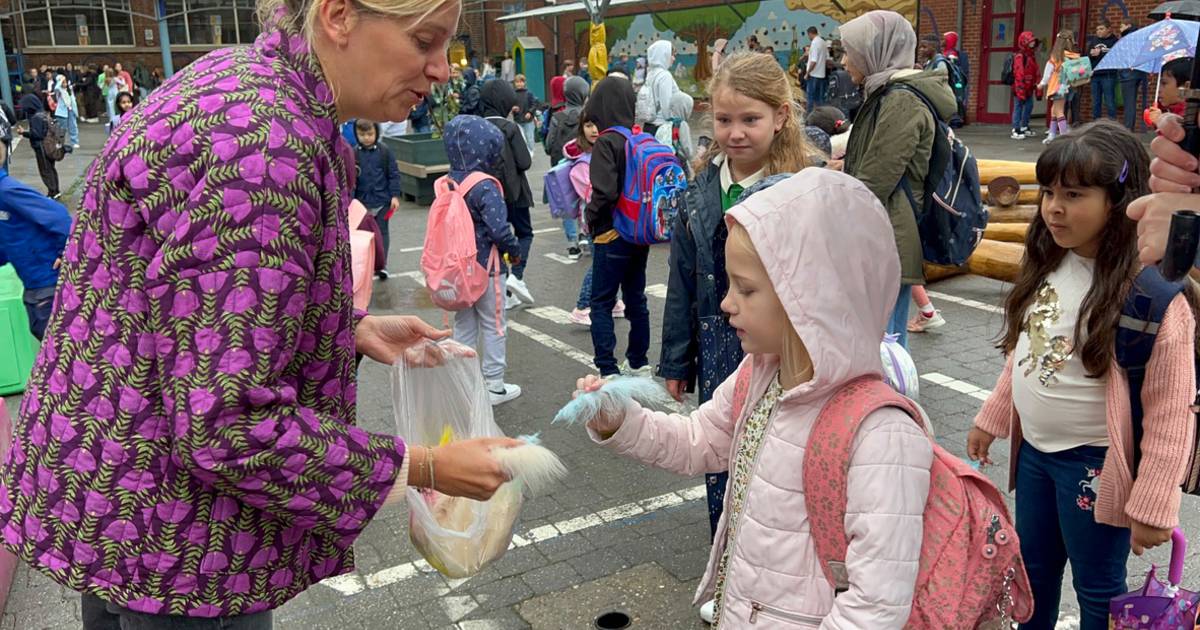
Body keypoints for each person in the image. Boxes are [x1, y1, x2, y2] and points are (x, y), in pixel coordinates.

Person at [0, 1, 525, 627]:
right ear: (338, 17)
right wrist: (427, 466)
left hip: (120, 494)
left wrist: (346, 327)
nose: (442, 69)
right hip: (182, 541)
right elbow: (225, 425)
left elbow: (185, 307)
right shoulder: (268, 147)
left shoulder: (243, 81)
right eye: (424, 41)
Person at [576, 168, 932, 628]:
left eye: (745, 289)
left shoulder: (881, 435)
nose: (725, 302)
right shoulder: (760, 374)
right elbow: (698, 440)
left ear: (811, 296)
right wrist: (619, 421)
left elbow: (875, 607)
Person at [969, 120, 1193, 630]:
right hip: (1036, 460)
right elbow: (1030, 350)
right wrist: (994, 415)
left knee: (1097, 589)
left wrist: (1154, 504)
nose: (1053, 207)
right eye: (1049, 192)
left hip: (1094, 467)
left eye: (1073, 194)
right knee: (1032, 574)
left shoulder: (1151, 296)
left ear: (1118, 201)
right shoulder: (1052, 261)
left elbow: (1171, 414)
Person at [656, 51, 811, 623]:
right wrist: (676, 358)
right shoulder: (701, 188)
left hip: (782, 349)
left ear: (780, 117)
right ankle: (726, 577)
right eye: (723, 120)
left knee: (778, 468)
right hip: (719, 346)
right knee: (722, 462)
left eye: (749, 119)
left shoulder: (801, 187)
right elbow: (681, 278)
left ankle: (781, 582)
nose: (735, 132)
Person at [840, 10, 957, 350]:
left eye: (852, 52)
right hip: (883, 231)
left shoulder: (901, 100)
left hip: (887, 237)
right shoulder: (886, 93)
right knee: (884, 342)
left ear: (875, 52)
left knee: (882, 348)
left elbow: (876, 177)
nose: (846, 62)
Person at [442, 115, 524, 405]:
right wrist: (514, 251)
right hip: (487, 269)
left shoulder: (448, 181)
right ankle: (494, 385)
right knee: (495, 324)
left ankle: (463, 382)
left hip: (458, 270)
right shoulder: (485, 185)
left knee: (464, 325)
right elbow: (499, 229)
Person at [585, 76, 652, 378]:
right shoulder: (637, 138)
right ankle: (639, 361)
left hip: (611, 233)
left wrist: (591, 219)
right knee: (636, 298)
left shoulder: (606, 141)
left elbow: (604, 192)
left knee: (601, 301)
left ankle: (607, 368)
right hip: (639, 233)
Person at [0, 136, 72, 340]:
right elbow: (7, 241)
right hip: (33, 283)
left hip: (47, 281)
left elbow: (59, 216)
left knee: (58, 346)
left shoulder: (7, 191)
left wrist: (63, 251)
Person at [479, 80, 536, 309]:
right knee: (524, 233)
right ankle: (517, 276)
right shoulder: (510, 128)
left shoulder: (477, 127)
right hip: (515, 191)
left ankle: (503, 291)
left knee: (496, 238)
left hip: (487, 193)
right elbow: (525, 161)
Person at [567, 120, 626, 326]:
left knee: (613, 262)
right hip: (594, 222)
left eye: (597, 125)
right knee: (600, 264)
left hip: (610, 219)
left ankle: (615, 301)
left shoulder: (605, 154)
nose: (594, 130)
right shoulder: (581, 164)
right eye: (588, 125)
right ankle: (582, 306)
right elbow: (597, 193)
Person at [352, 120, 402, 279]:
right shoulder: (354, 154)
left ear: (377, 133)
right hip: (362, 203)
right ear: (356, 134)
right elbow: (351, 180)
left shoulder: (384, 151)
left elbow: (393, 174)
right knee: (364, 235)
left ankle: (382, 264)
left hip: (383, 202)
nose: (366, 138)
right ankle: (367, 264)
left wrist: (394, 195)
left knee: (382, 233)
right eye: (362, 134)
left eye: (370, 134)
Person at [548, 76, 589, 260]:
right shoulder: (589, 116)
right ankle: (585, 234)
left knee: (567, 203)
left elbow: (549, 144)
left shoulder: (557, 117)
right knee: (585, 199)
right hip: (585, 168)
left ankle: (572, 243)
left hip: (562, 168)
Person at [17, 91, 59, 200]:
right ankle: (55, 190)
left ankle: (52, 192)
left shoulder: (35, 118)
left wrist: (23, 133)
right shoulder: (43, 114)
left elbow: (37, 134)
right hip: (49, 146)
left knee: (45, 170)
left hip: (41, 148)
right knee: (51, 169)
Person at [1040, 31, 1078, 145]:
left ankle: (1063, 135)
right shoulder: (1073, 56)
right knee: (1053, 110)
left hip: (1057, 87)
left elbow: (1047, 74)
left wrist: (1041, 84)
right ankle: (1052, 134)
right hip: (1068, 86)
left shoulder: (1055, 57)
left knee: (1058, 111)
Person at [636, 40, 681, 135]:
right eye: (672, 55)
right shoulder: (665, 75)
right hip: (661, 127)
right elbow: (666, 105)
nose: (674, 59)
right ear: (664, 54)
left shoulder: (651, 73)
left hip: (649, 125)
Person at [1144, 57, 1192, 128]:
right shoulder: (1171, 110)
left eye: (1164, 83)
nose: (1159, 90)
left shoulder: (1190, 116)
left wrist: (1160, 121)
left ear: (1186, 86)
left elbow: (1178, 136)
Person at [1119, 20, 1149, 132]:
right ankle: (1134, 127)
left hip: (1127, 71)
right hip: (1139, 71)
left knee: (1129, 103)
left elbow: (1123, 56)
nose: (1120, 29)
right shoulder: (1140, 37)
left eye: (1121, 26)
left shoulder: (1126, 38)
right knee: (1136, 102)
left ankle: (1128, 128)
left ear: (1128, 25)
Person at [654, 91, 695, 173]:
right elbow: (687, 148)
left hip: (663, 163)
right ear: (684, 108)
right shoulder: (682, 124)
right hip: (678, 163)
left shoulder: (664, 125)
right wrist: (693, 162)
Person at [1087, 21, 1119, 121]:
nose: (1098, 31)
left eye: (1101, 29)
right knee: (1096, 101)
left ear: (1109, 29)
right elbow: (1087, 56)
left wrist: (1100, 54)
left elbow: (1116, 57)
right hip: (1095, 74)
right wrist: (1091, 54)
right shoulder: (1094, 40)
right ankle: (1096, 122)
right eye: (1097, 29)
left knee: (1109, 100)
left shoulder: (1115, 41)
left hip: (1108, 74)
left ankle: (1112, 123)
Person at [1011, 30, 1039, 140]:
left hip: (1029, 87)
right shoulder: (1020, 56)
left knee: (1028, 106)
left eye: (1033, 41)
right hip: (1021, 86)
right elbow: (1019, 73)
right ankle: (1016, 128)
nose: (1033, 43)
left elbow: (1035, 71)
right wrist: (1020, 89)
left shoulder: (1031, 55)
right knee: (1018, 107)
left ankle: (1024, 126)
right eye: (1030, 41)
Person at [942, 31, 970, 125]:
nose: (942, 42)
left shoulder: (954, 55)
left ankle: (955, 118)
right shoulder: (943, 54)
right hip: (946, 82)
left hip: (954, 82)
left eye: (944, 39)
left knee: (955, 98)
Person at [513, 74, 540, 155]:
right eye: (517, 82)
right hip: (518, 119)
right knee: (521, 138)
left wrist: (530, 112)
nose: (519, 84)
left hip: (528, 120)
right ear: (514, 83)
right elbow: (510, 104)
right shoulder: (513, 94)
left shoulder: (529, 93)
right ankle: (524, 154)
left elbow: (534, 104)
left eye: (521, 82)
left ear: (524, 83)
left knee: (529, 137)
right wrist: (513, 108)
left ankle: (531, 153)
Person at [51, 74, 79, 150]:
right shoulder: (58, 90)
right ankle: (59, 143)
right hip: (62, 112)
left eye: (65, 82)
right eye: (63, 82)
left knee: (73, 126)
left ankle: (74, 142)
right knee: (62, 129)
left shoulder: (69, 89)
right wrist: (61, 79)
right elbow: (56, 87)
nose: (65, 84)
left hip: (70, 110)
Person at [805, 26, 829, 112]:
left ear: (810, 34)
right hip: (822, 74)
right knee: (820, 98)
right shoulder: (823, 42)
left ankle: (809, 116)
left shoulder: (815, 43)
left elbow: (813, 61)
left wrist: (807, 73)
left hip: (814, 74)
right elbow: (827, 58)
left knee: (810, 97)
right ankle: (821, 115)